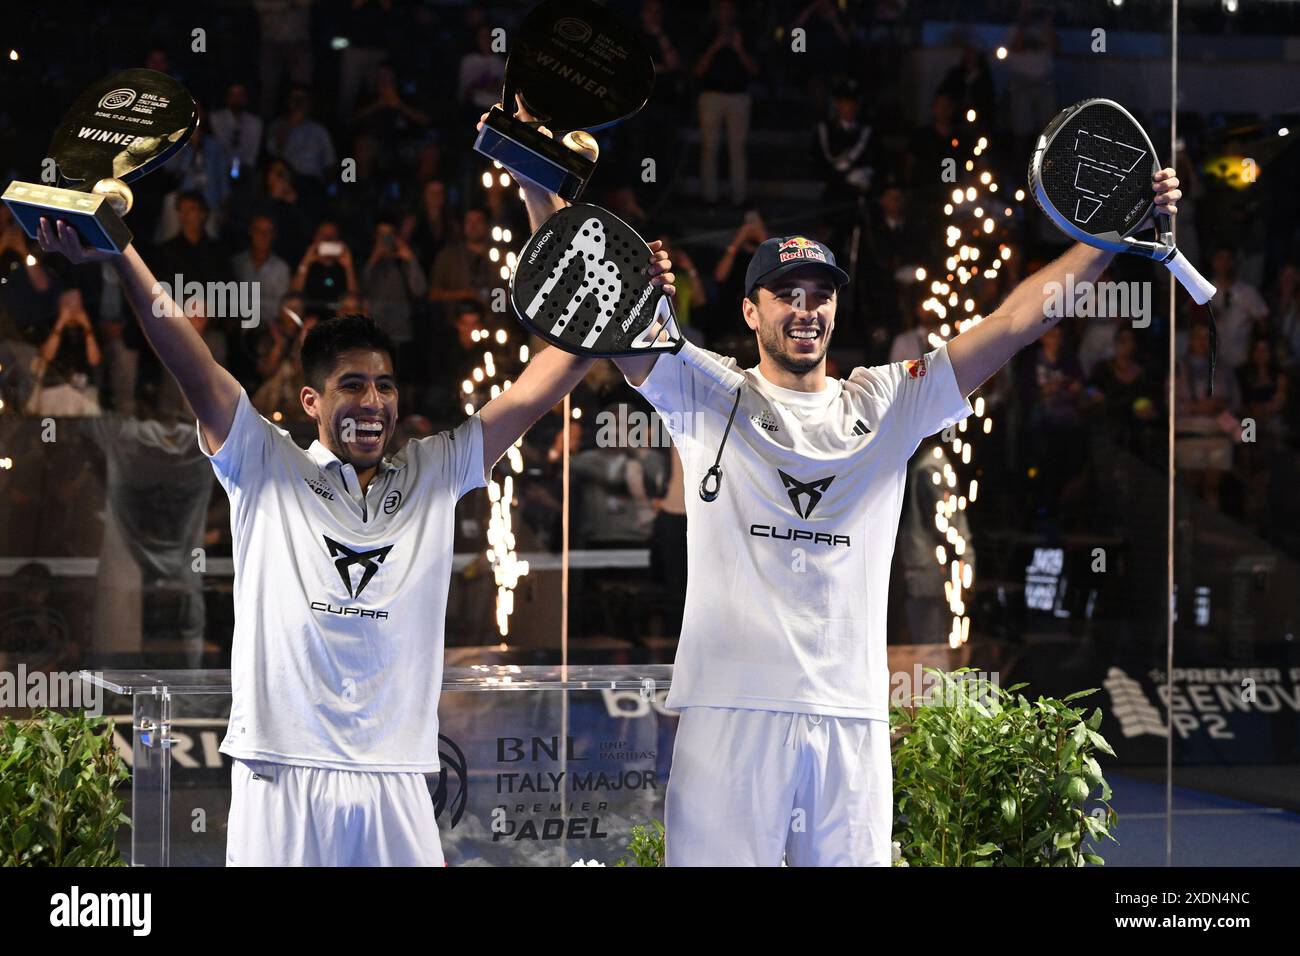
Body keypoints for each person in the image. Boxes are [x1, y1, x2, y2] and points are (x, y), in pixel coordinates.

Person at [36, 107, 679, 866]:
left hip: (398, 780)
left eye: (383, 385)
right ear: (311, 402)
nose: (372, 403)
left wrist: (626, 294)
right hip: (280, 774)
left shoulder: (435, 470)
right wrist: (121, 251)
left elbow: (546, 377)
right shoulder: (264, 463)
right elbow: (191, 362)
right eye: (350, 387)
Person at [602, 168, 1183, 866]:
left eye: (820, 295)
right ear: (751, 312)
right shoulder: (704, 389)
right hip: (731, 708)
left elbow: (1013, 324)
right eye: (785, 295)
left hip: (851, 714)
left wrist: (1103, 240)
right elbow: (586, 301)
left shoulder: (885, 401)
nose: (805, 308)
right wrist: (570, 215)